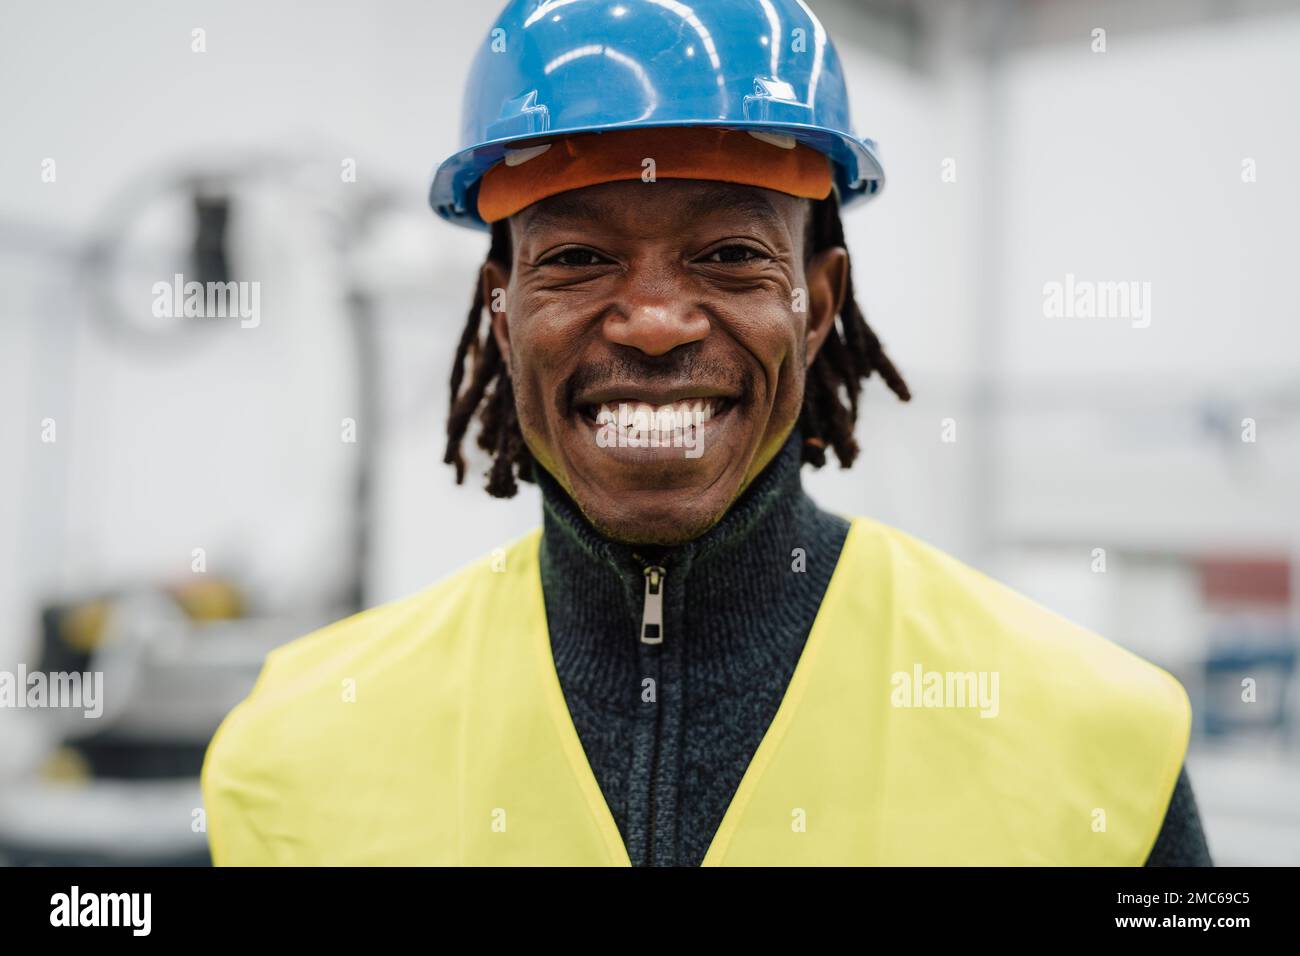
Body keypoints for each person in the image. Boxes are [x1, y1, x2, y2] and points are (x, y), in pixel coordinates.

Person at [201, 0, 1212, 866]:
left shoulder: (1095, 743)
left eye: (729, 254)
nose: (653, 320)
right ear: (502, 312)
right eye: (579, 258)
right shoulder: (296, 747)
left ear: (817, 306)